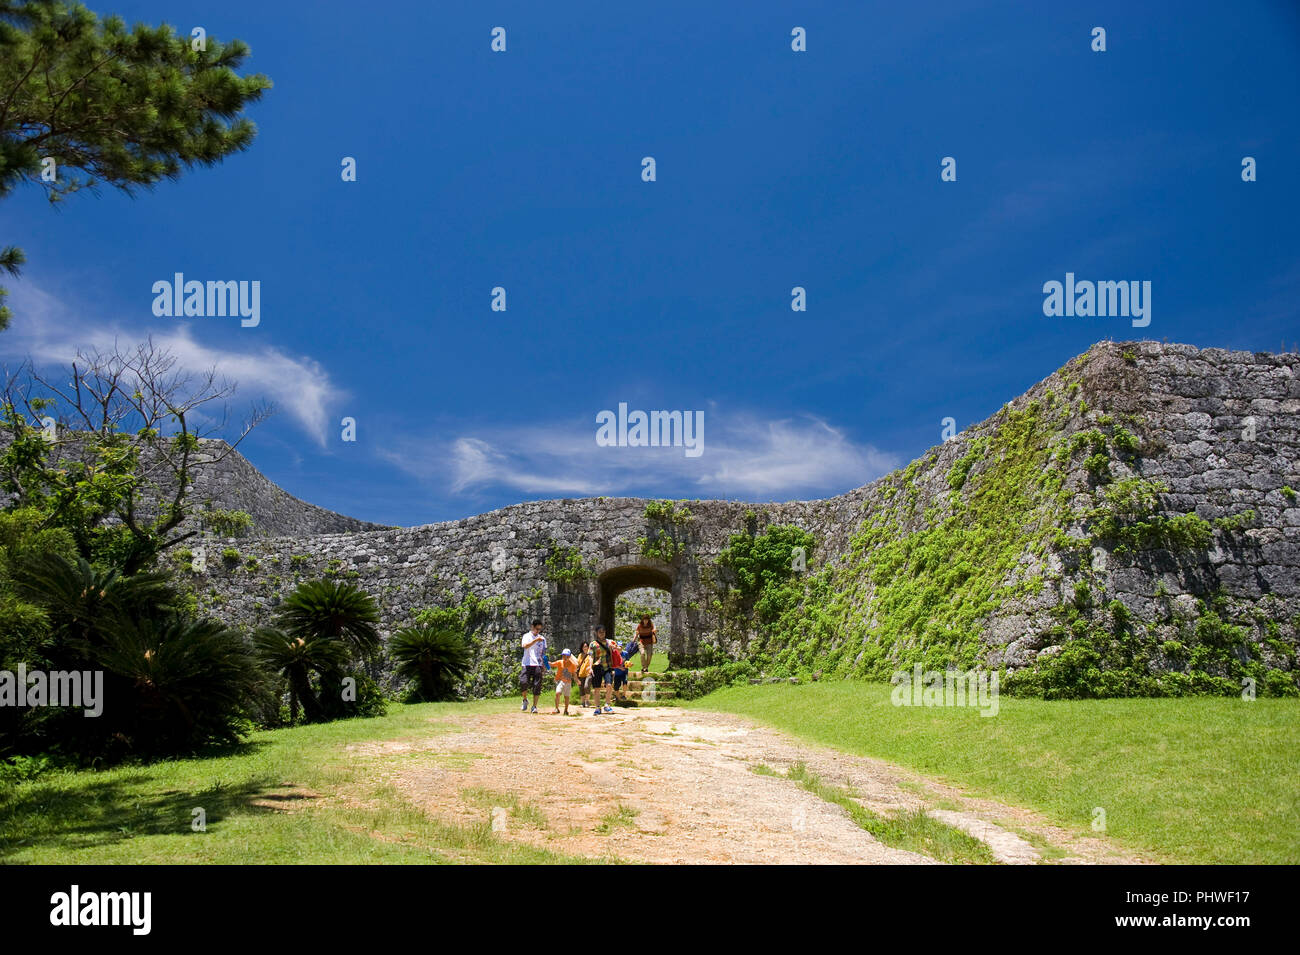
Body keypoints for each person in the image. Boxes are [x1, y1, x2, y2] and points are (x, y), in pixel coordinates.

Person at [519, 619, 546, 714]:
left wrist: (545, 664)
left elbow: (543, 652)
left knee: (537, 685)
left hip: (537, 664)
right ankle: (525, 699)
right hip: (526, 663)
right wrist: (535, 640)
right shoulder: (526, 636)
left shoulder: (542, 638)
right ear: (532, 627)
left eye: (539, 629)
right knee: (523, 682)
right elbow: (525, 646)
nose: (538, 631)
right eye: (536, 629)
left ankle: (534, 706)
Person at [591, 625, 614, 714]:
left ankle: (607, 705)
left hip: (607, 666)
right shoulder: (593, 644)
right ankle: (597, 707)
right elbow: (590, 656)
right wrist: (590, 667)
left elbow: (617, 649)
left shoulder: (609, 642)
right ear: (597, 633)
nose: (602, 633)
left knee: (609, 685)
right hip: (597, 667)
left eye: (603, 632)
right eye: (600, 632)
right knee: (597, 688)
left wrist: (616, 648)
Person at [550, 649, 578, 715]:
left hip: (568, 682)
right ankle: (556, 708)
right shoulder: (560, 662)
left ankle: (566, 710)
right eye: (564, 656)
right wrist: (547, 662)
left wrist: (577, 680)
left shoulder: (572, 664)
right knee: (558, 693)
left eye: (567, 656)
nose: (565, 657)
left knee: (566, 697)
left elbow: (574, 674)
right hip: (560, 681)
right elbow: (552, 664)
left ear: (569, 656)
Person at [575, 642, 593, 708]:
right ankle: (583, 702)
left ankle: (587, 701)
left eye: (586, 646)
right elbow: (578, 664)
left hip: (588, 673)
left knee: (586, 686)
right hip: (581, 674)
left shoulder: (590, 655)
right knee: (581, 688)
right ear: (582, 648)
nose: (585, 648)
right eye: (584, 647)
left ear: (588, 647)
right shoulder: (580, 655)